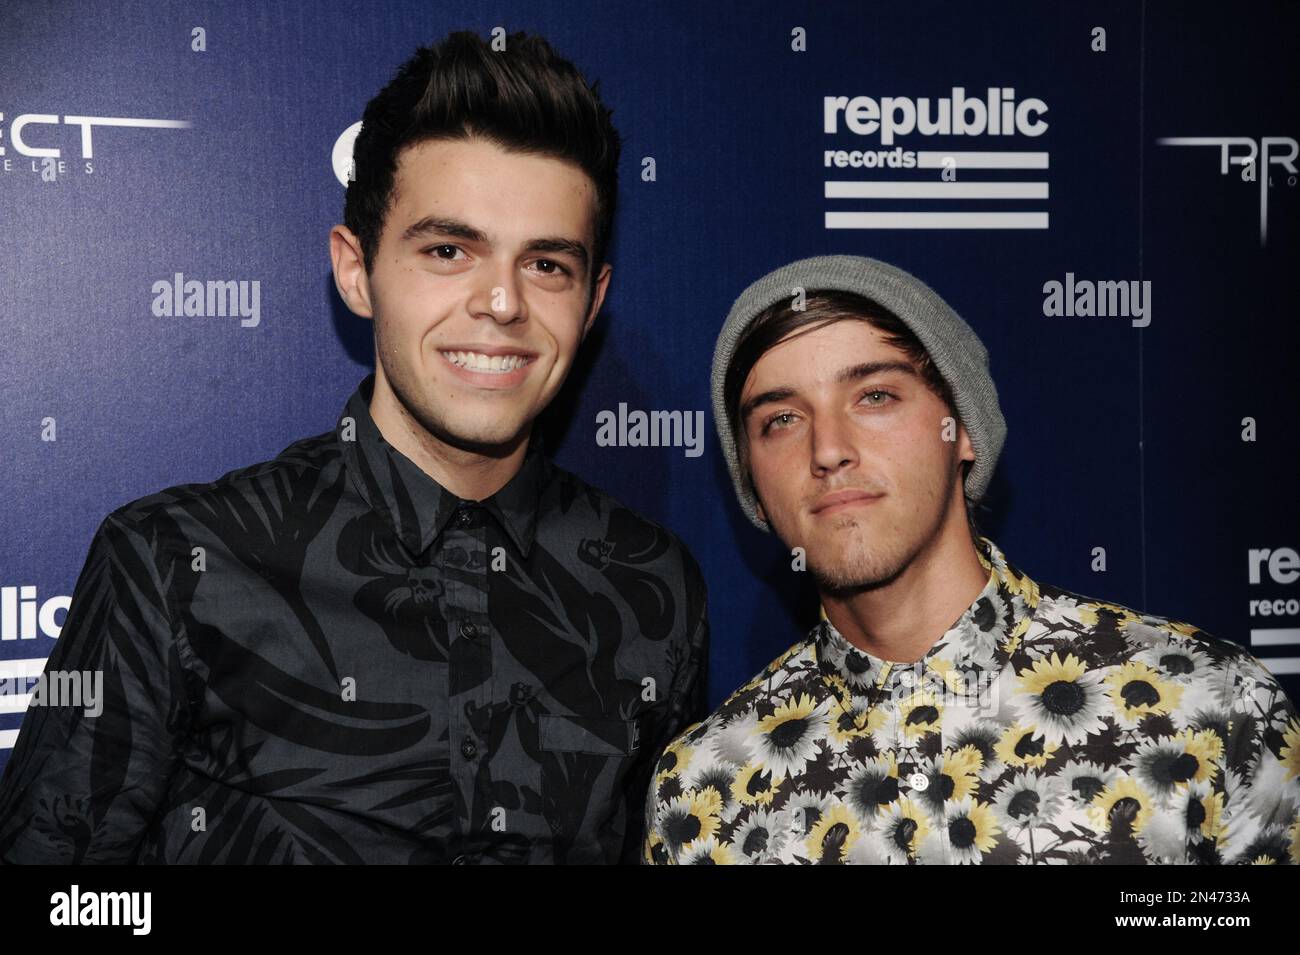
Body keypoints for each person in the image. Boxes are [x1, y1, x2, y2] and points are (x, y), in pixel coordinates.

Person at [0, 30, 708, 865]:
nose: (502, 302)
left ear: (592, 303)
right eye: (449, 250)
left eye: (548, 264)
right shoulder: (173, 563)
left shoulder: (650, 582)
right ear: (356, 270)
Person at [643, 254, 1299, 864]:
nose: (829, 449)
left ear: (963, 431)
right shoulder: (704, 785)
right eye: (781, 418)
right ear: (753, 486)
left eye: (875, 395)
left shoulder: (1209, 708)